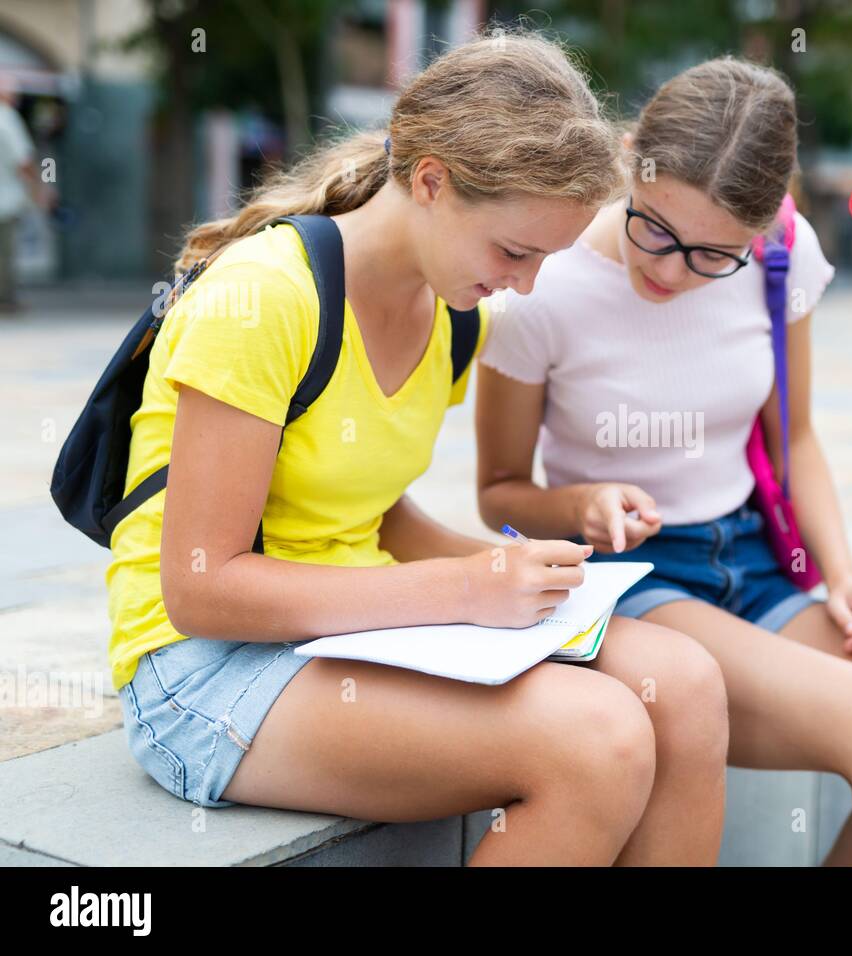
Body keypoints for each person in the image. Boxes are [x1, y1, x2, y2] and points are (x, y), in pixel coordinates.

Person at [110, 32, 729, 867]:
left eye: (546, 258)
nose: (526, 285)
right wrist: (463, 586)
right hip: (203, 672)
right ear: (431, 180)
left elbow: (371, 510)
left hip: (345, 630)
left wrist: (527, 578)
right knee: (600, 739)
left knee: (686, 684)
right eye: (515, 251)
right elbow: (200, 589)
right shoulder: (264, 297)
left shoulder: (454, 312)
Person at [475, 57, 852, 866]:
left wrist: (842, 572)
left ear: (766, 221)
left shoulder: (782, 253)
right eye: (655, 228)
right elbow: (498, 491)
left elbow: (794, 438)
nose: (670, 271)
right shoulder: (547, 283)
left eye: (712, 255)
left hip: (755, 564)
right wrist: (584, 501)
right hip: (633, 580)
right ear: (630, 156)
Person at [0, 74, 54, 314]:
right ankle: (5, 300)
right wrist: (42, 187)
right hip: (6, 200)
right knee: (5, 253)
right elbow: (24, 161)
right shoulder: (8, 119)